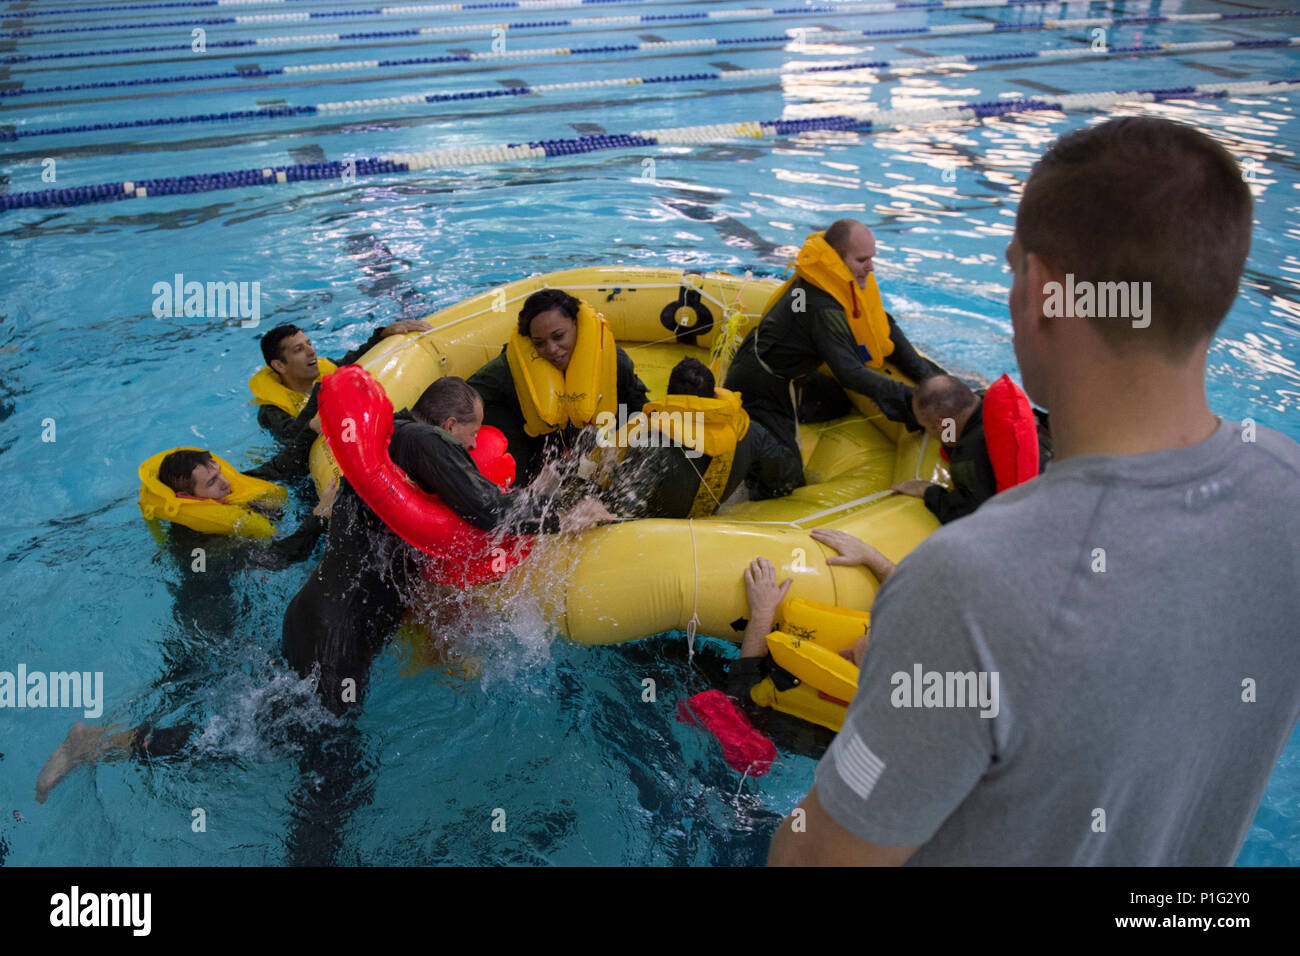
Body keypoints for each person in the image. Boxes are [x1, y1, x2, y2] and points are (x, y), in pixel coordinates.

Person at [767, 117, 1300, 866]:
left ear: (1045, 291)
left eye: (1015, 267)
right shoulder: (1286, 492)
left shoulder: (968, 583)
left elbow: (815, 861)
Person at [282, 377, 614, 716]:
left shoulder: (392, 436)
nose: (473, 446)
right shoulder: (427, 441)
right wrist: (564, 515)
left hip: (312, 618)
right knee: (334, 752)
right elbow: (485, 510)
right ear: (450, 425)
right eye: (472, 435)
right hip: (339, 638)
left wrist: (534, 494)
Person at [721, 220, 942, 498]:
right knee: (784, 482)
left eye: (871, 258)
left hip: (790, 371)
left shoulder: (840, 278)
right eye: (863, 259)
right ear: (837, 257)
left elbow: (881, 324)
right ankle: (753, 435)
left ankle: (781, 421)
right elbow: (849, 371)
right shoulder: (821, 304)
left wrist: (929, 377)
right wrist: (917, 399)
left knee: (836, 402)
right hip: (761, 383)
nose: (870, 266)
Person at [468, 289, 650, 484]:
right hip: (522, 435)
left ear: (576, 325)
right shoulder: (508, 370)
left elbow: (638, 409)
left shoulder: (613, 363)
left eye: (558, 336)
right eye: (539, 343)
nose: (552, 350)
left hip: (574, 435)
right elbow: (461, 397)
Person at [602, 358, 800, 517]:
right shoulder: (746, 431)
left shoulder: (650, 443)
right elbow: (785, 476)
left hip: (656, 535)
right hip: (711, 530)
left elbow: (616, 509)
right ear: (714, 396)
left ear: (669, 396)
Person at [247, 318, 429, 480]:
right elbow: (291, 440)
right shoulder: (270, 411)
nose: (312, 352)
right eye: (299, 350)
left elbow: (355, 358)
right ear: (279, 365)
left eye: (309, 344)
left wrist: (381, 335)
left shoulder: (325, 370)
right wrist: (322, 392)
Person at [892, 374, 1052, 523]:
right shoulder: (987, 403)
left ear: (944, 424)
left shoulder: (970, 454)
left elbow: (968, 514)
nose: (930, 434)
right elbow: (949, 436)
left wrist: (926, 490)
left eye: (928, 427)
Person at [156, 447, 336, 569]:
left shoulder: (227, 495)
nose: (226, 483)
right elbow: (276, 560)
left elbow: (278, 467)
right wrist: (320, 515)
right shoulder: (199, 543)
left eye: (220, 472)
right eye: (212, 482)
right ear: (187, 497)